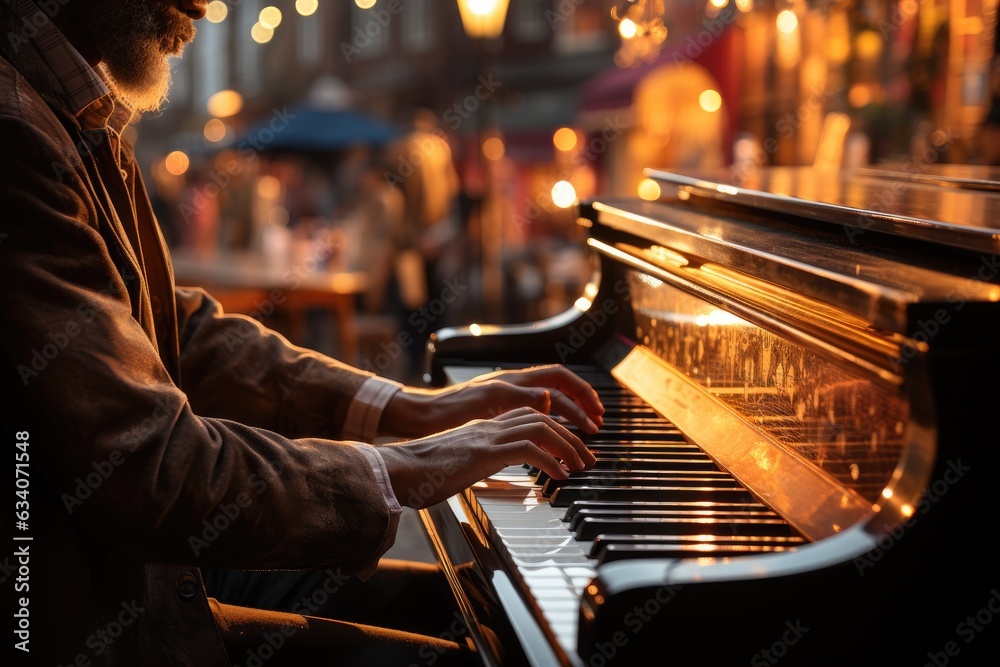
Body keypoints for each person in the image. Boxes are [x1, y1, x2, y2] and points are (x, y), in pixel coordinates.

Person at [0, 2, 604, 666]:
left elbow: (177, 328)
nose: (206, 4)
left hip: (128, 576)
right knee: (488, 647)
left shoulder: (66, 105)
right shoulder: (18, 131)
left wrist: (410, 407)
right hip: (81, 619)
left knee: (479, 605)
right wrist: (408, 466)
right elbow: (151, 470)